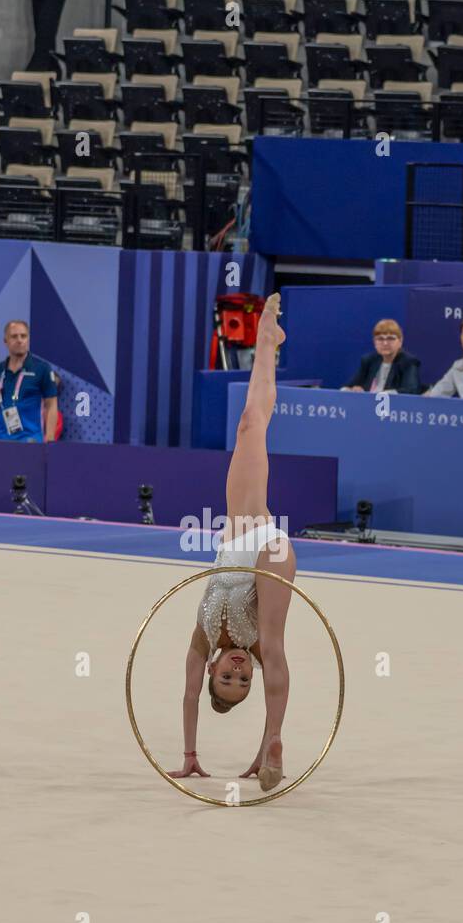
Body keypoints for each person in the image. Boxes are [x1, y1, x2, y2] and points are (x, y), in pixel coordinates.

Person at [168, 294, 296, 794]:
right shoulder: (254, 650)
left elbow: (187, 697)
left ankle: (268, 343)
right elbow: (273, 666)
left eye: (228, 679)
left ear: (213, 671)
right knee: (275, 645)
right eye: (243, 684)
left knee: (251, 424)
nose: (239, 675)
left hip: (239, 535)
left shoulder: (201, 642)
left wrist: (190, 755)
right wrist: (266, 739)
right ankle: (275, 744)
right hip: (268, 550)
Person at [0, 320, 58, 443]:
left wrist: (50, 439)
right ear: (5, 341)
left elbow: (51, 405)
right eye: (14, 336)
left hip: (30, 441)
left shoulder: (42, 369)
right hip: (0, 441)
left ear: (28, 339)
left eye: (23, 336)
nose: (19, 340)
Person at [342, 319, 422, 395]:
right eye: (380, 339)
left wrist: (381, 394)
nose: (385, 343)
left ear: (400, 341)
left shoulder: (408, 362)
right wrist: (353, 389)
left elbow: (411, 390)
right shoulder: (369, 361)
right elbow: (347, 388)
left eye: (390, 338)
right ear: (374, 342)